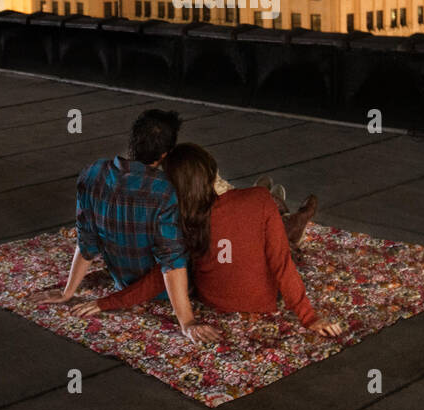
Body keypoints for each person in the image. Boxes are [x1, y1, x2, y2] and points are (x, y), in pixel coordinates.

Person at [75, 143, 343, 337]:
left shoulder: (182, 221)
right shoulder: (254, 201)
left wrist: (107, 302)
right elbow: (281, 265)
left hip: (214, 301)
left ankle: (283, 209)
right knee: (280, 234)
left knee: (258, 219)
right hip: (264, 300)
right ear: (212, 171)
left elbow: (164, 275)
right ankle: (288, 212)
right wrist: (310, 318)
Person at [37, 109, 220, 344]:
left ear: (132, 141)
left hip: (122, 281)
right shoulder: (165, 191)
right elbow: (171, 261)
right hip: (161, 291)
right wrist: (187, 322)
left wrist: (67, 292)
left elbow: (87, 241)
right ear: (166, 153)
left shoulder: (92, 173)